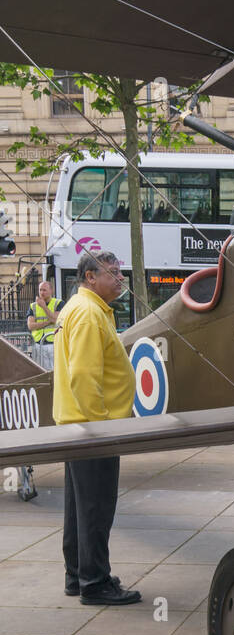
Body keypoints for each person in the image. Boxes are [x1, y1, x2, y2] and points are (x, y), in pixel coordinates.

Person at [53, 251, 142, 607]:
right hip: (93, 428)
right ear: (91, 277)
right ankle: (95, 583)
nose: (120, 278)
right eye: (113, 271)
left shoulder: (79, 308)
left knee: (79, 507)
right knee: (96, 508)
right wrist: (102, 424)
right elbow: (85, 376)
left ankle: (78, 574)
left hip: (77, 424)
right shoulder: (89, 314)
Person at [27, 279, 62, 372]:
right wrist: (47, 322)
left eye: (44, 290)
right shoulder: (33, 306)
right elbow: (30, 326)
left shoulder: (59, 303)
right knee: (40, 372)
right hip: (38, 344)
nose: (42, 292)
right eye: (40, 290)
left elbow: (55, 319)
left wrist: (43, 307)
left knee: (55, 371)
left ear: (51, 291)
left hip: (53, 343)